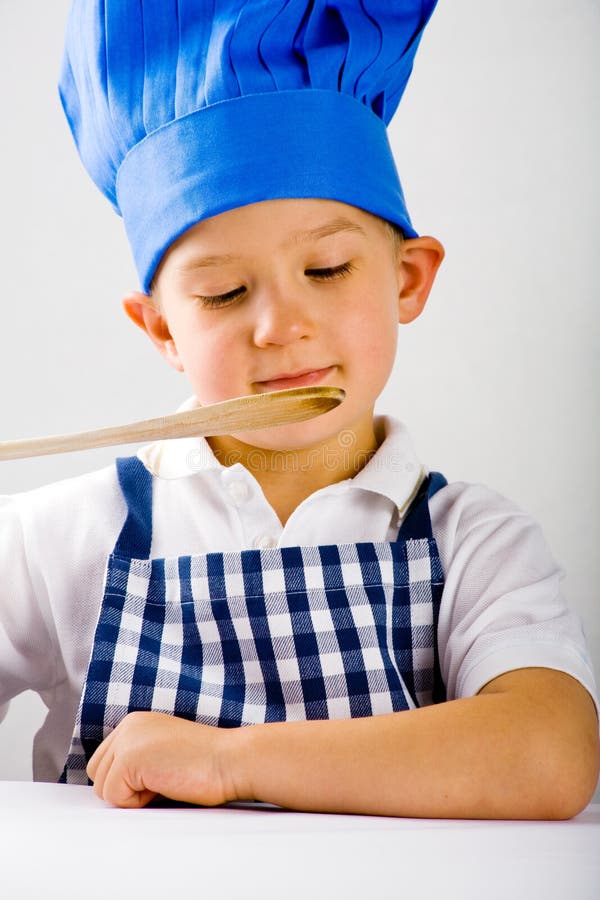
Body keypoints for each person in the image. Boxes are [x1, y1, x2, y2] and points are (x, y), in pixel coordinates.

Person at [1, 0, 598, 817]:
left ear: (409, 279)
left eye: (325, 270)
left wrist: (230, 761)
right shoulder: (54, 540)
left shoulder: (471, 544)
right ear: (162, 328)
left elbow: (548, 754)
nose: (281, 326)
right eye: (225, 292)